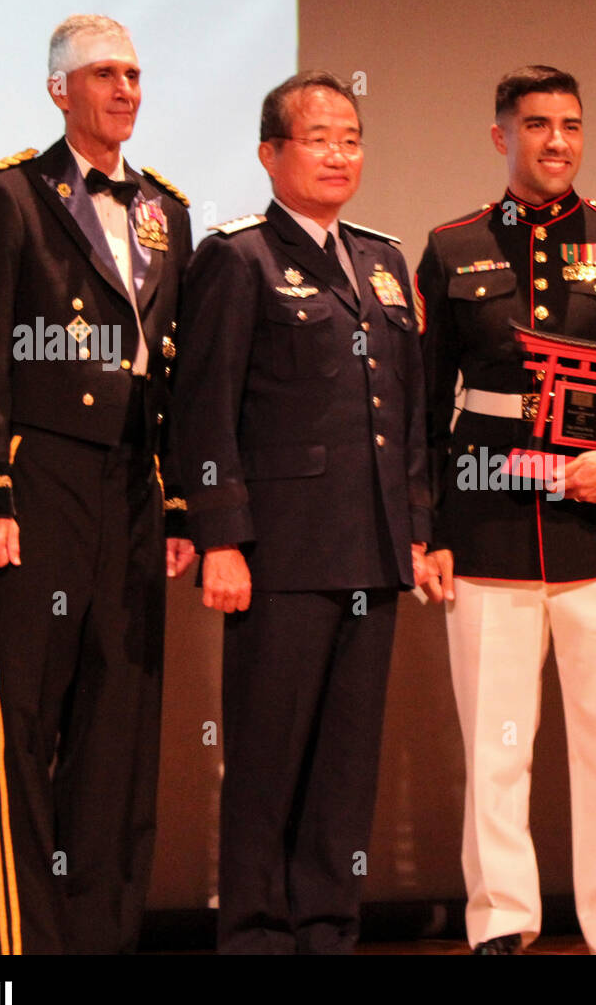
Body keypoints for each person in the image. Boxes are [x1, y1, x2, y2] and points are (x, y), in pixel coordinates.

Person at [416, 65, 596, 955]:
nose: (558, 141)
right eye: (537, 125)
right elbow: (425, 407)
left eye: (571, 124)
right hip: (489, 528)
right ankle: (501, 921)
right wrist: (426, 531)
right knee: (496, 750)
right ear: (501, 137)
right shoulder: (451, 247)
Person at [0, 14, 194, 954]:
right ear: (60, 90)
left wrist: (176, 502)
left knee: (119, 733)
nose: (126, 88)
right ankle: (31, 950)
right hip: (37, 479)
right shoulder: (9, 195)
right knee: (30, 725)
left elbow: (173, 371)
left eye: (134, 71)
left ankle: (104, 938)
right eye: (103, 74)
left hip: (132, 486)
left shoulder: (170, 206)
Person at [171, 71, 431, 955]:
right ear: (270, 154)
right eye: (318, 137)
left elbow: (412, 412)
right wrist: (221, 539)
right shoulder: (236, 256)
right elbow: (203, 408)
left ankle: (328, 928)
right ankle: (254, 933)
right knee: (268, 761)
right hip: (280, 554)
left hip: (373, 548)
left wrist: (420, 529)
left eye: (351, 137)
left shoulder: (384, 259)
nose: (338, 153)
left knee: (346, 769)